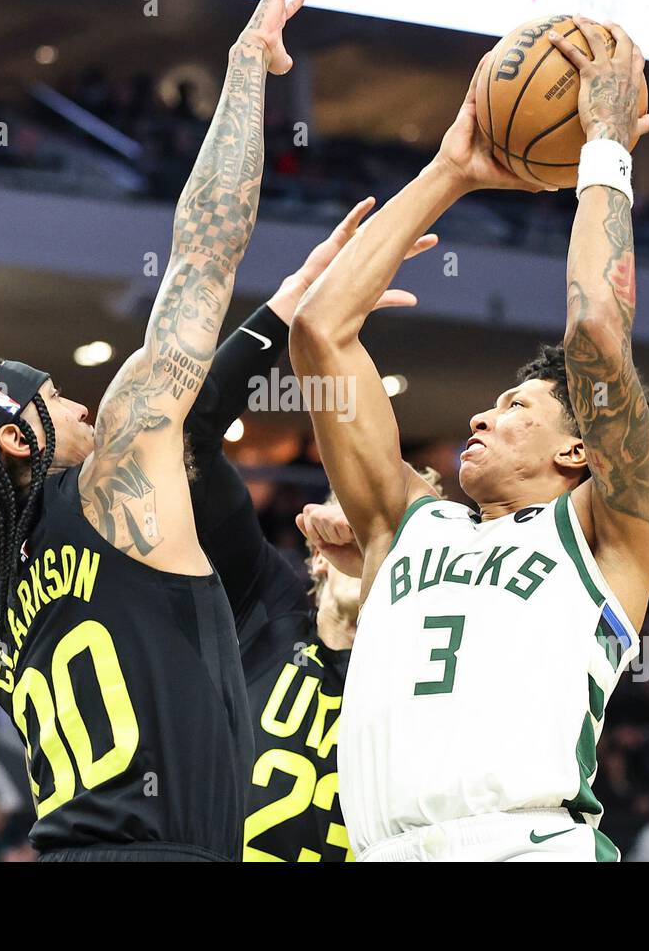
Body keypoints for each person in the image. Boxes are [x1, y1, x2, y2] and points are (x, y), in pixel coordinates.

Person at [0, 0, 306, 862]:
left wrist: (284, 314)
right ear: (17, 437)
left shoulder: (5, 600)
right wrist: (247, 65)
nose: (82, 403)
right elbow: (204, 253)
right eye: (52, 395)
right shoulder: (112, 482)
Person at [289, 18, 649, 861]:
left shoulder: (611, 533)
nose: (479, 417)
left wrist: (605, 150)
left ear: (578, 452)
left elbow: (597, 335)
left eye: (515, 406)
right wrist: (451, 170)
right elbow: (321, 332)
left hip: (528, 847)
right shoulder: (405, 523)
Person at [183, 199, 435, 860]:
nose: (384, 527)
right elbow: (185, 442)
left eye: (408, 523)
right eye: (371, 511)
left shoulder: (439, 666)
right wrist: (291, 306)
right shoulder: (261, 603)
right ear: (322, 547)